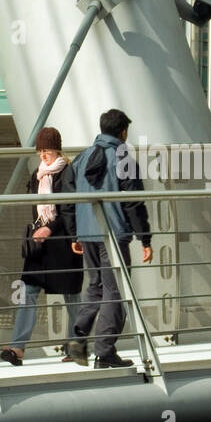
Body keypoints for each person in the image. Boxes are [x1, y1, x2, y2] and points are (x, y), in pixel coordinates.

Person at [65, 109, 153, 369]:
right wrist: (145, 238)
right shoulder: (123, 157)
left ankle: (78, 337)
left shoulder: (81, 158)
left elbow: (67, 198)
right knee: (114, 292)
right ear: (123, 132)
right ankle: (104, 353)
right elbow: (133, 201)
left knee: (96, 288)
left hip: (87, 234)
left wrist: (74, 233)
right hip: (113, 236)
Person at [1, 128, 84, 366]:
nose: (42, 156)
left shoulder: (68, 173)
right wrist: (41, 228)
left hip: (63, 241)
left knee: (72, 295)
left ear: (56, 148)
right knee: (28, 290)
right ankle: (17, 348)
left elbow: (70, 209)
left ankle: (76, 347)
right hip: (40, 243)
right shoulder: (37, 175)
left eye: (46, 150)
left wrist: (50, 228)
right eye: (39, 151)